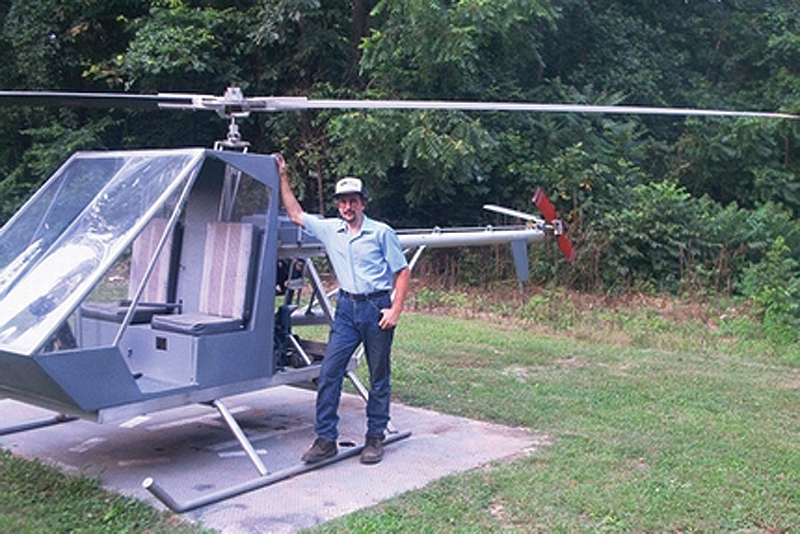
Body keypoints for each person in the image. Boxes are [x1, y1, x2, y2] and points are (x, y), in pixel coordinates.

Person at [275, 154, 410, 465]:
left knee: (378, 376)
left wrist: (395, 310)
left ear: (363, 203)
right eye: (342, 202)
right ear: (338, 205)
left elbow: (401, 272)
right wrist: (283, 176)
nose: (348, 207)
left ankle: (375, 438)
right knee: (329, 373)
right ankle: (325, 440)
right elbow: (295, 214)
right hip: (347, 309)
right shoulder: (329, 230)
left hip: (377, 309)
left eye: (353, 201)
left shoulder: (381, 233)